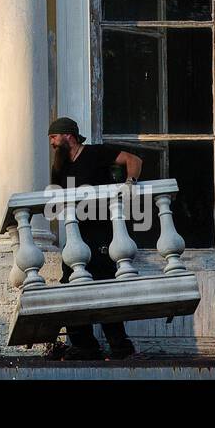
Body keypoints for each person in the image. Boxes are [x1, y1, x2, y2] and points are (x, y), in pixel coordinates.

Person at [47, 117, 142, 361]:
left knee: (103, 283)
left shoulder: (96, 153)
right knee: (70, 284)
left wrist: (130, 183)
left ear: (69, 136)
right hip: (77, 235)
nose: (52, 144)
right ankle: (84, 345)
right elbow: (56, 201)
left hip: (103, 232)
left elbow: (134, 160)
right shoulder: (60, 167)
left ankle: (120, 346)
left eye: (54, 138)